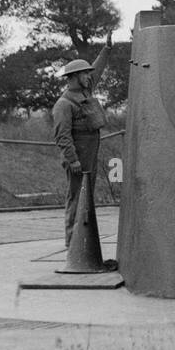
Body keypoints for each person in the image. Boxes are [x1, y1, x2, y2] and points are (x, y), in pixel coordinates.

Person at [52, 35, 113, 247]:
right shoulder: (64, 104)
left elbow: (98, 68)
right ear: (75, 76)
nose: (89, 76)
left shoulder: (85, 91)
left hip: (90, 156)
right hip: (78, 159)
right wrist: (73, 160)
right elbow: (62, 136)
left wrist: (106, 49)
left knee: (86, 199)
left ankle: (82, 240)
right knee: (76, 198)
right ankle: (72, 241)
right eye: (85, 74)